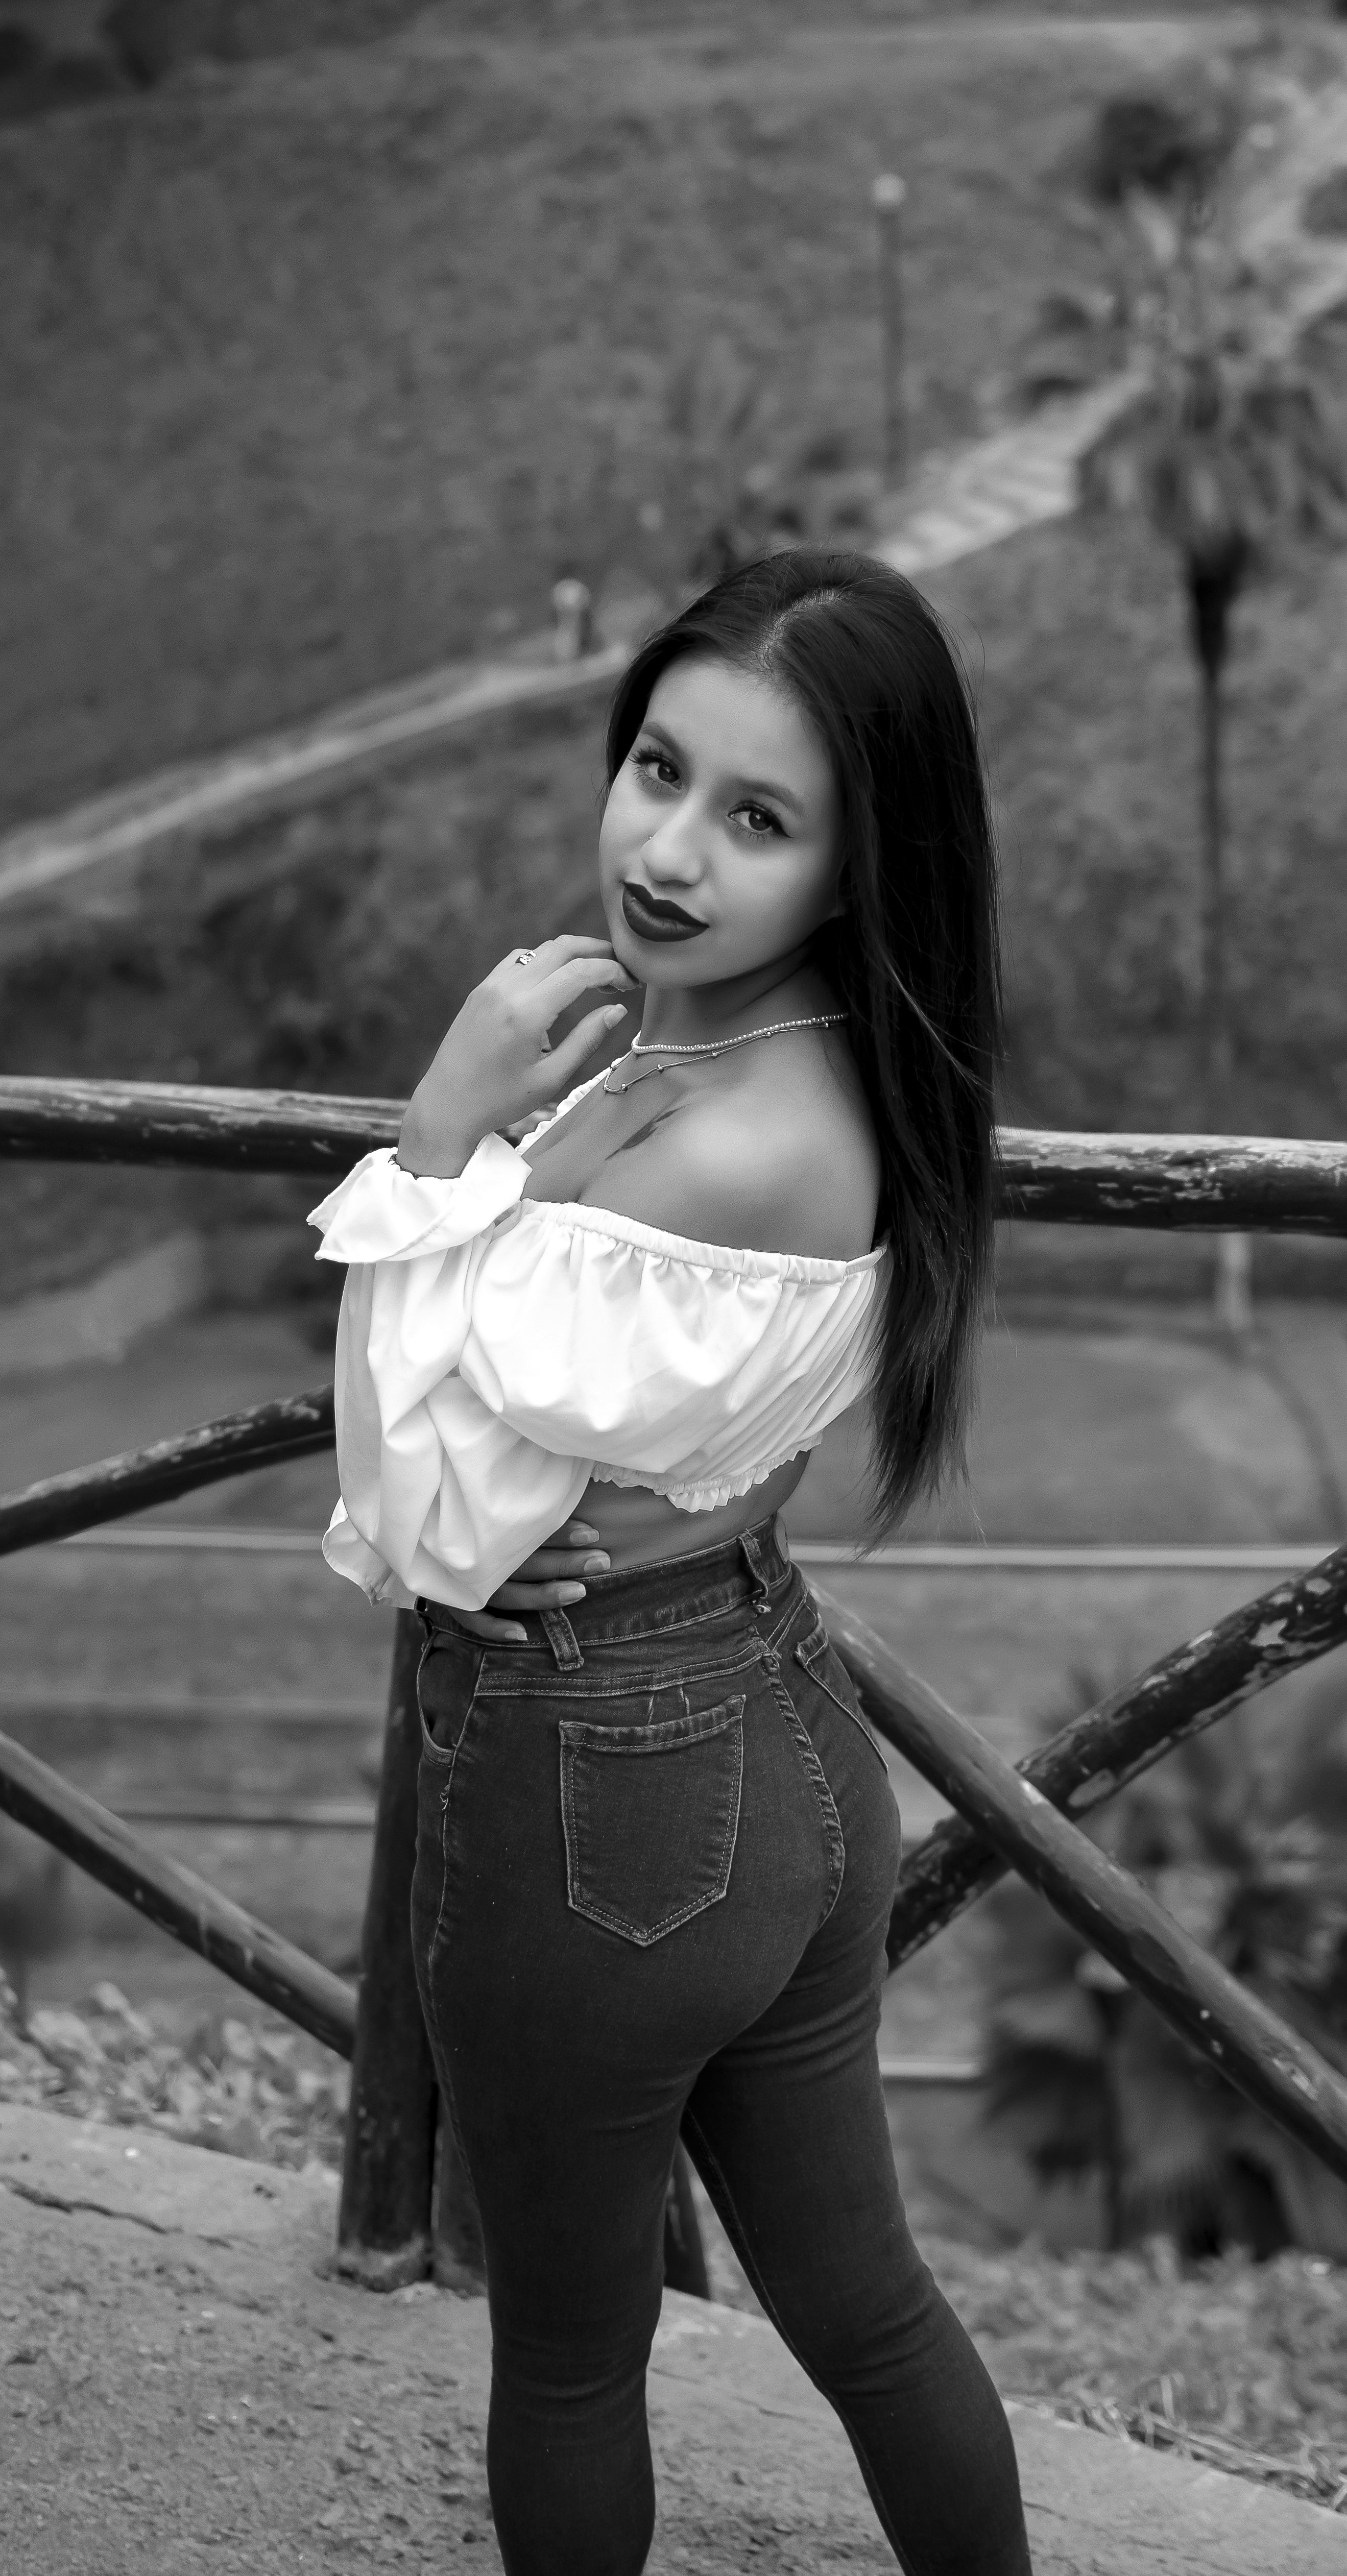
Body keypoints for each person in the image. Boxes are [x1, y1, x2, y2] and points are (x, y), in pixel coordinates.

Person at [309, 550, 1031, 2576]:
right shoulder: (730, 1054)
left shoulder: (735, 1138)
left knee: (568, 2362)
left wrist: (442, 1127)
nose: (671, 850)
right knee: (866, 2310)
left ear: (861, 863)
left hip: (597, 1781)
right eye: (657, 769)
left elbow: (424, 1508)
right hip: (767, 1729)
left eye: (758, 817)